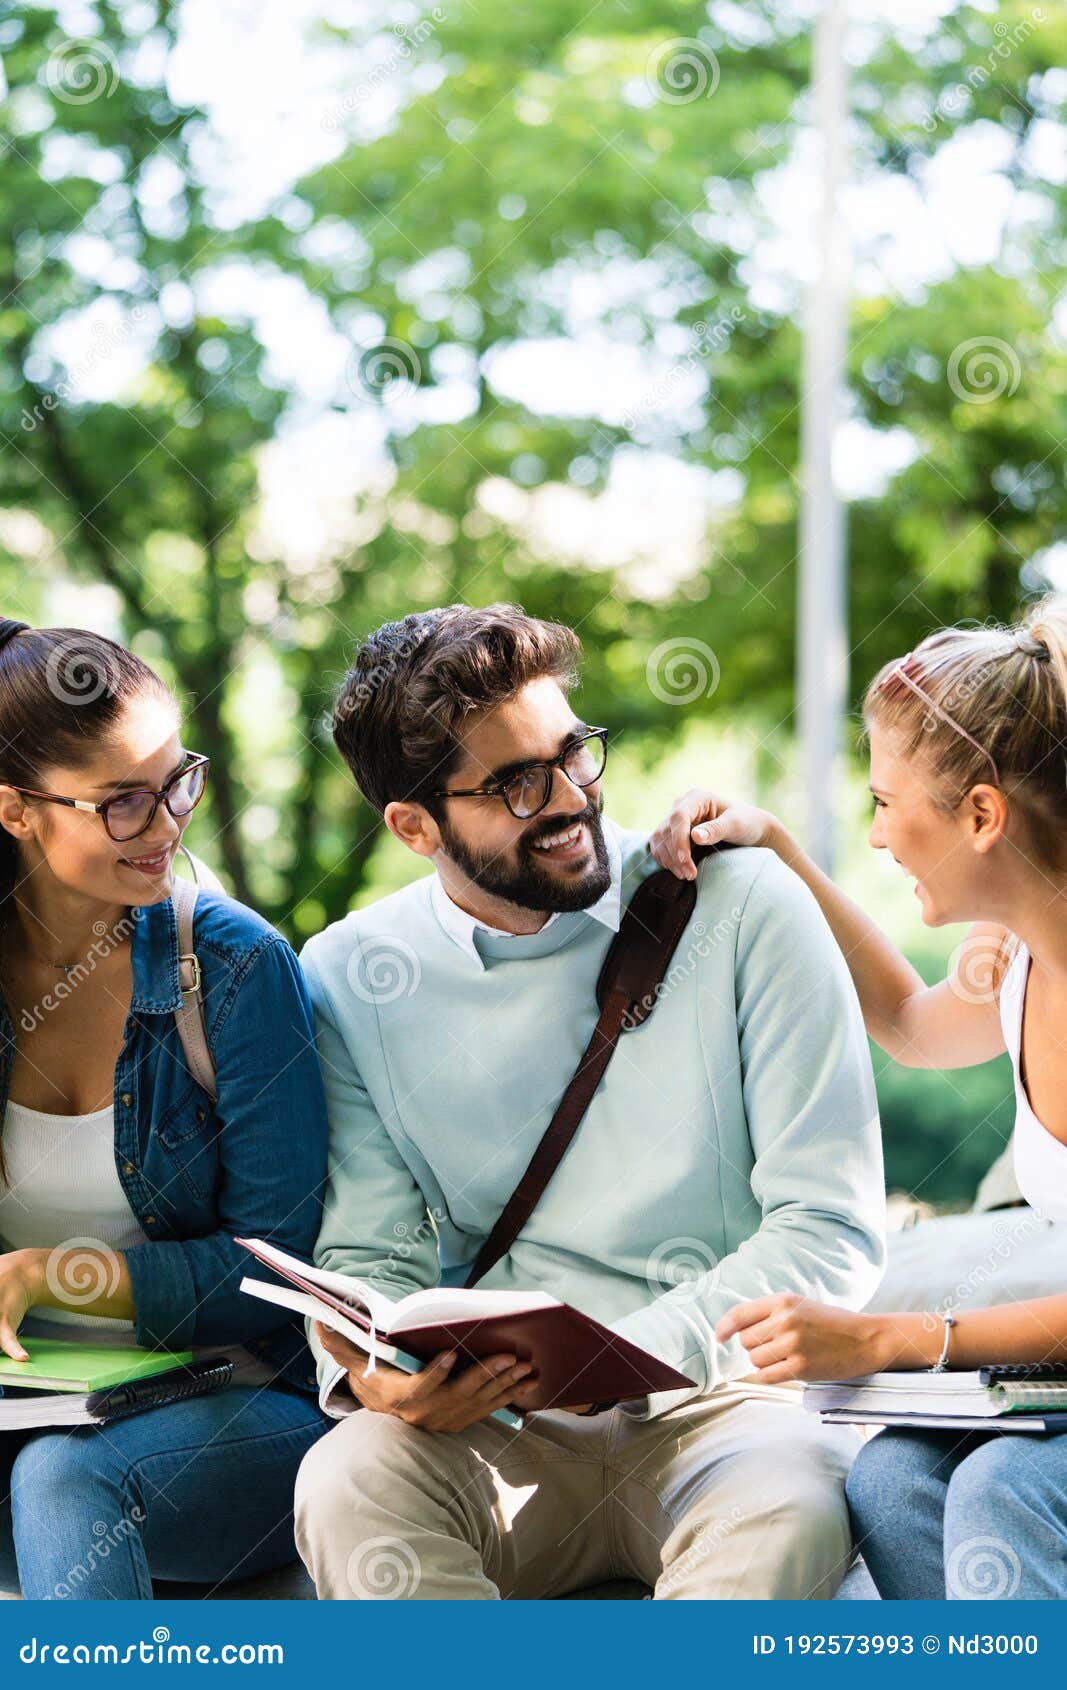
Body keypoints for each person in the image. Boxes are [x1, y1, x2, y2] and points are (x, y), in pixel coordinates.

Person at [292, 601, 885, 1601]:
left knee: (789, 1508)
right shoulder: (348, 974)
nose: (570, 798)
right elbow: (368, 1254)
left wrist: (635, 1353)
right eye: (518, 783)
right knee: (346, 1477)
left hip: (730, 1406)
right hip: (504, 1428)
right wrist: (366, 1368)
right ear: (412, 824)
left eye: (574, 753)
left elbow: (826, 1223)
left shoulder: (741, 905)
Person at [649, 595, 1067, 1600]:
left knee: (1001, 1492)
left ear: (978, 814)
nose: (876, 834)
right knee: (889, 1481)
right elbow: (913, 1023)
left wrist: (897, 1337)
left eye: (884, 804)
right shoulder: (1012, 948)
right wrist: (778, 852)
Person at [0, 618, 330, 1600]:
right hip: (31, 1399)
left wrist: (58, 1279)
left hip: (242, 1399)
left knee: (62, 1479)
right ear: (15, 809)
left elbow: (282, 1269)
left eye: (174, 781)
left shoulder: (230, 969)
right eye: (123, 802)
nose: (165, 825)